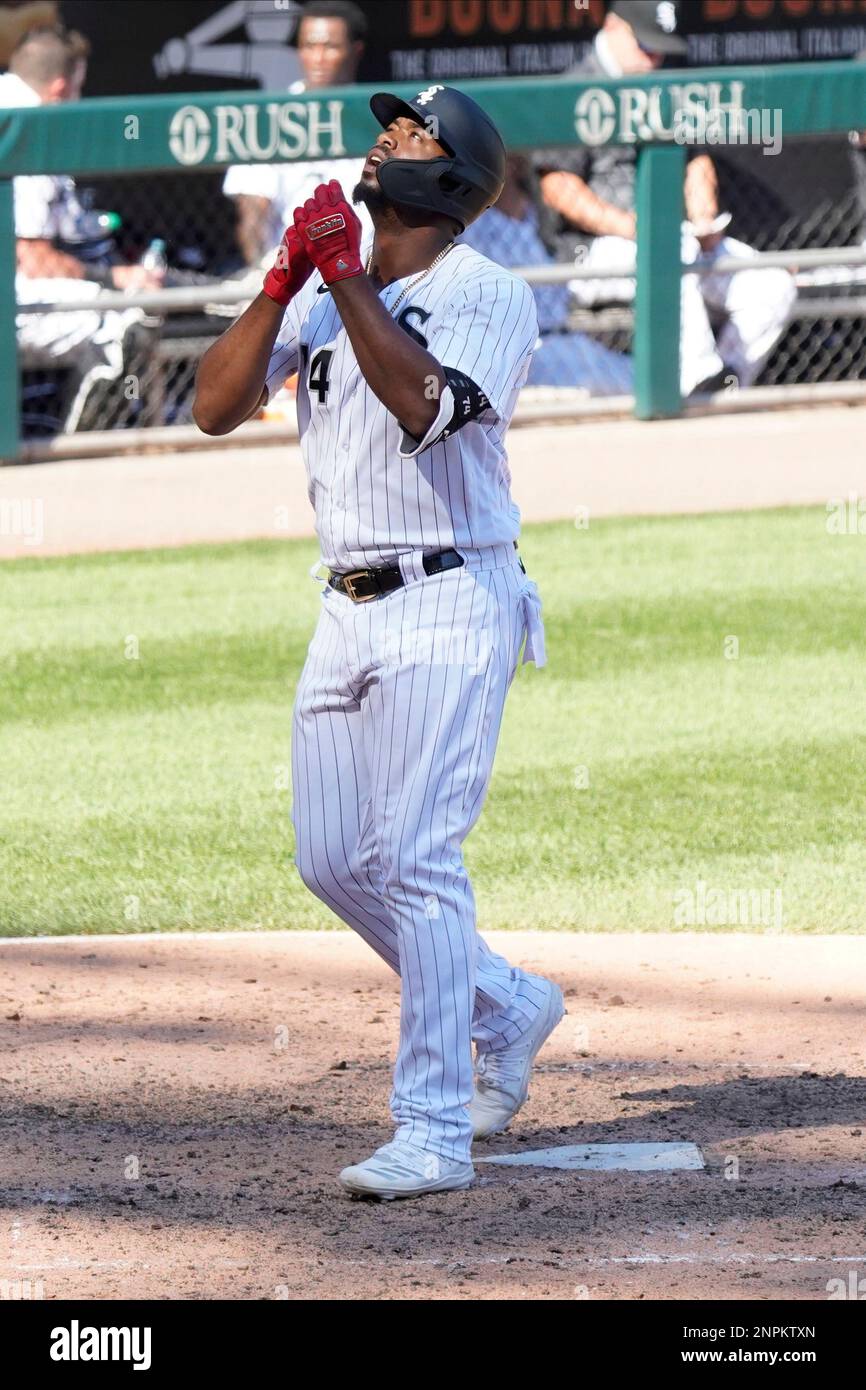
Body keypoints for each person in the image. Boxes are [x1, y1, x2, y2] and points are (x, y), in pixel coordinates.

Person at [194, 85, 566, 1201]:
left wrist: (343, 273)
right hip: (344, 602)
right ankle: (504, 1003)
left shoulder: (484, 293)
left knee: (412, 857)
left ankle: (433, 1129)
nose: (384, 137)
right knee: (330, 859)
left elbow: (424, 408)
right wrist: (281, 280)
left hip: (452, 596)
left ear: (450, 176)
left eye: (410, 132)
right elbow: (213, 405)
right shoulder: (318, 293)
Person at [533, 0, 796, 395]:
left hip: (675, 239)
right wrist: (631, 228)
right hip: (592, 253)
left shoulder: (664, 83)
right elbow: (557, 186)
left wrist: (704, 217)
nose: (655, 58)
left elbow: (695, 161)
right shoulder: (577, 85)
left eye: (660, 48)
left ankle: (722, 389)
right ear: (615, 28)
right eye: (646, 46)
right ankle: (695, 380)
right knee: (666, 250)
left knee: (772, 284)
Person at [3, 23, 164, 431]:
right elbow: (32, 259)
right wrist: (113, 275)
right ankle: (76, 438)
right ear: (60, 88)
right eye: (78, 88)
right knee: (123, 318)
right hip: (11, 299)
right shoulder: (28, 126)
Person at [461, 154, 634, 395]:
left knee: (633, 377)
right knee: (591, 388)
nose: (517, 162)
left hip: (566, 337)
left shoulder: (536, 214)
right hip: (525, 348)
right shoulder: (473, 223)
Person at [223, 0, 371, 268]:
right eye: (309, 46)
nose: (318, 58)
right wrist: (265, 276)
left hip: (368, 269)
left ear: (356, 51)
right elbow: (253, 213)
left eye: (330, 47)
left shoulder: (376, 117)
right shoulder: (268, 116)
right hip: (296, 272)